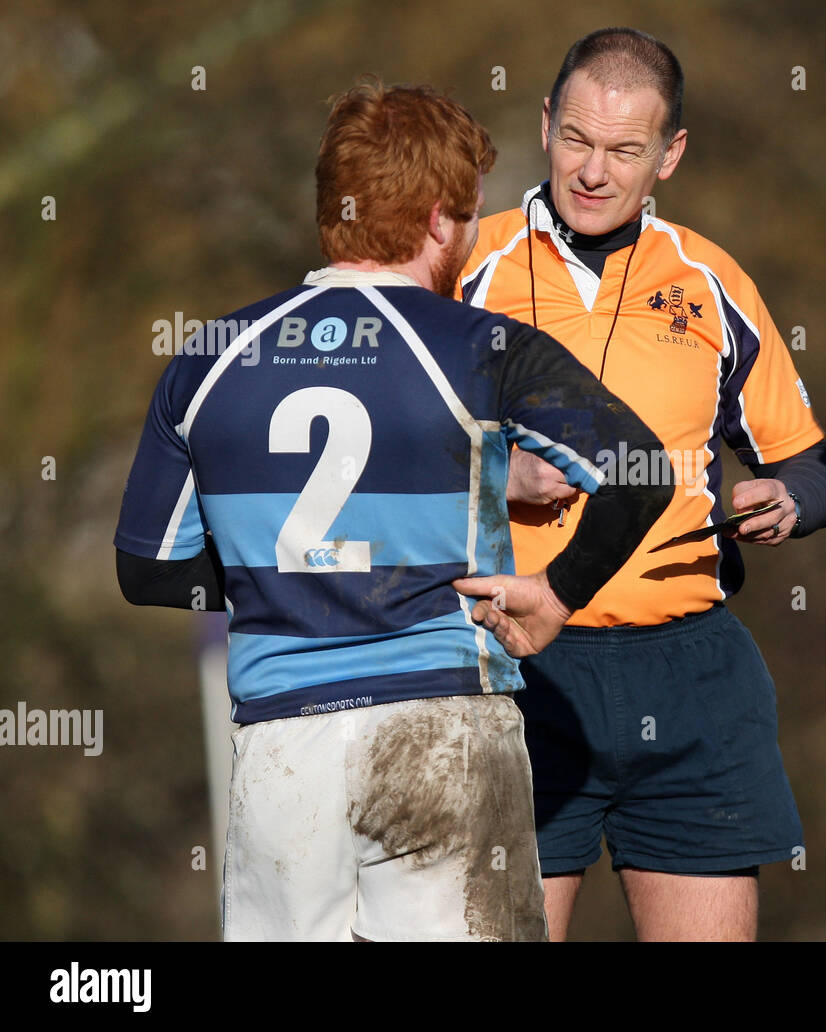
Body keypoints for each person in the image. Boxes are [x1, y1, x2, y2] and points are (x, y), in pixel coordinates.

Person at [113, 78, 672, 942]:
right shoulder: (483, 346)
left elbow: (147, 568)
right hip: (443, 726)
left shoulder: (208, 358)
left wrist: (290, 575)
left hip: (281, 748)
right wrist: (556, 594)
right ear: (441, 218)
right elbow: (641, 473)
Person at [459, 28, 826, 941]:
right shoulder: (467, 265)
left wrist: (792, 501)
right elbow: (385, 460)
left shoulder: (712, 279)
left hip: (688, 674)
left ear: (669, 155)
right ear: (546, 123)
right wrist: (493, 473)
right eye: (577, 140)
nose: (594, 171)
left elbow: (814, 466)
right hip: (510, 668)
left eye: (625, 150)